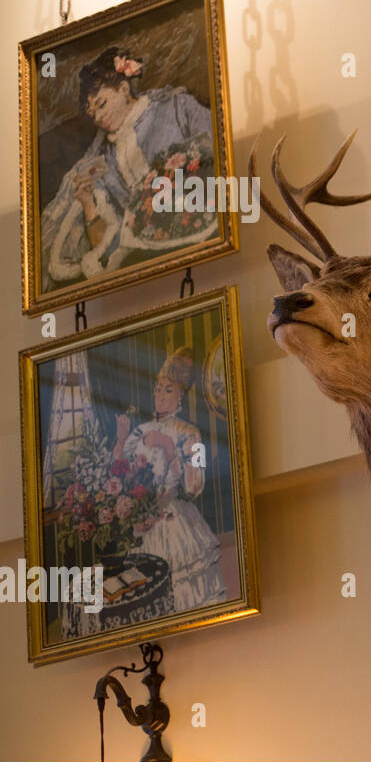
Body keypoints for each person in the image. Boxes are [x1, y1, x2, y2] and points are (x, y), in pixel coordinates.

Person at [40, 46, 218, 291]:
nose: (98, 117)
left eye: (102, 104)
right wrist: (89, 205)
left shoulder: (175, 107)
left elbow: (220, 154)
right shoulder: (105, 162)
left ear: (123, 90)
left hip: (204, 234)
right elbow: (110, 244)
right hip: (148, 269)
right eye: (92, 113)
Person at [112, 346, 226, 614]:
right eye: (158, 388)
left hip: (177, 521)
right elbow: (120, 475)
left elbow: (195, 486)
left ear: (180, 397)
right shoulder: (140, 431)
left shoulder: (190, 433)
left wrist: (171, 449)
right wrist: (120, 438)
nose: (160, 396)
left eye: (168, 390)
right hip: (144, 524)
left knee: (184, 592)